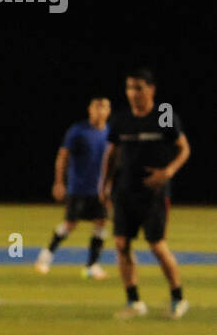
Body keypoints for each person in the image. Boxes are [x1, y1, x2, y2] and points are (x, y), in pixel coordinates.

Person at [99, 68, 190, 319]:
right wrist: (105, 186)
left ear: (151, 90)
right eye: (130, 88)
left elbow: (183, 149)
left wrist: (168, 172)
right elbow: (112, 155)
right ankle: (134, 302)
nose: (133, 93)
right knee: (121, 244)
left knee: (157, 246)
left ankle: (178, 298)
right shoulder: (121, 120)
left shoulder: (163, 114)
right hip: (125, 191)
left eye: (139, 87)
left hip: (154, 193)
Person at [34, 97, 112, 278]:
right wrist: (59, 182)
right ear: (90, 109)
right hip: (79, 188)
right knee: (70, 224)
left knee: (101, 223)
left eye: (105, 107)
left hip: (100, 190)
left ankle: (92, 266)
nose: (101, 110)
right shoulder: (78, 131)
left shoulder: (110, 133)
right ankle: (45, 258)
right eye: (97, 107)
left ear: (108, 111)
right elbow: (62, 156)